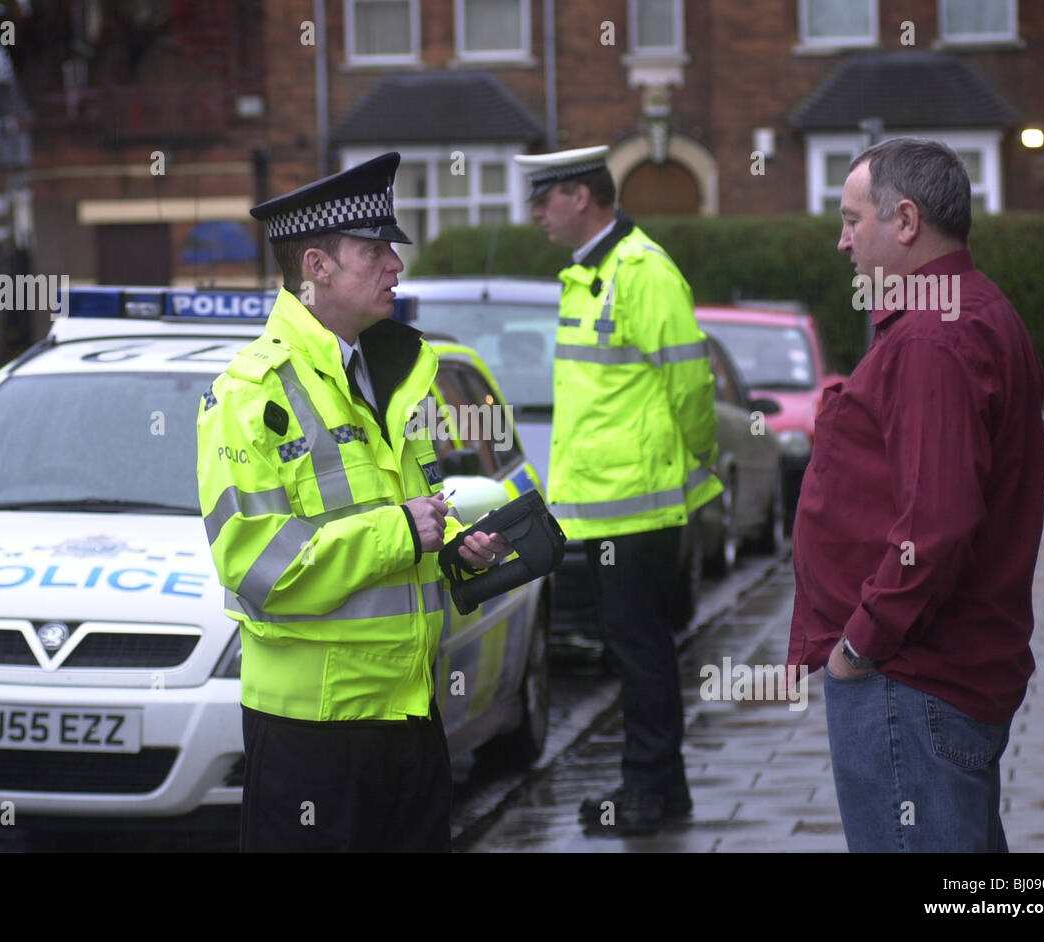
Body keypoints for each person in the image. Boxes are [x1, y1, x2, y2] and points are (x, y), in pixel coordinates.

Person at [196, 152, 509, 852]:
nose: (395, 266)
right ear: (316, 266)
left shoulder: (391, 372)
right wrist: (405, 533)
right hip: (314, 734)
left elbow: (413, 509)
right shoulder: (250, 394)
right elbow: (258, 567)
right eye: (374, 251)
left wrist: (456, 542)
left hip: (410, 716)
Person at [789, 137, 1044, 852]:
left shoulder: (934, 337)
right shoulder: (973, 310)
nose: (842, 243)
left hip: (911, 683)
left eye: (851, 220)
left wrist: (857, 649)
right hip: (940, 680)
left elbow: (934, 526)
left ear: (904, 221)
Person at [514, 146, 723, 835]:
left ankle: (645, 792)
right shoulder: (592, 274)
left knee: (639, 653)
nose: (535, 213)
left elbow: (691, 383)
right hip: (610, 506)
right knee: (637, 651)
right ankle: (664, 791)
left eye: (544, 198)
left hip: (640, 504)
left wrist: (695, 460)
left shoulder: (641, 272)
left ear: (580, 196)